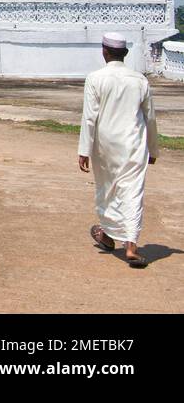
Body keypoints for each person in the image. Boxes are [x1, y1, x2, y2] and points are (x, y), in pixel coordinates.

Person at [78, 32, 158, 268]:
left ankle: (107, 235)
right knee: (132, 192)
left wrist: (84, 149)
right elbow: (150, 117)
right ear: (124, 53)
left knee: (108, 190)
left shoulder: (95, 78)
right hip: (133, 143)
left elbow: (89, 118)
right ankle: (131, 246)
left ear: (104, 52)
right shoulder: (139, 79)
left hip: (104, 145)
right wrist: (153, 149)